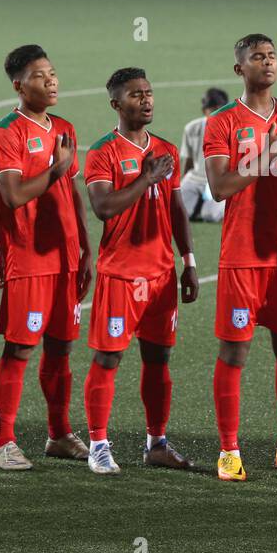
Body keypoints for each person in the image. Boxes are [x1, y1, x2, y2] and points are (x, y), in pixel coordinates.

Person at [203, 34, 277, 481]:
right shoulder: (223, 123)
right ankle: (229, 451)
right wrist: (270, 151)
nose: (268, 62)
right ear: (240, 70)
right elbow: (221, 188)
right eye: (257, 57)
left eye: (272, 56)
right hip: (242, 257)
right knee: (234, 353)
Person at [82, 67, 200, 475]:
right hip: (120, 274)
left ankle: (156, 444)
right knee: (108, 359)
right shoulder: (103, 152)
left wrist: (189, 261)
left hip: (162, 274)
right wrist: (147, 176)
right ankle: (98, 444)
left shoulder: (165, 148)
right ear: (116, 104)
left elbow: (176, 210)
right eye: (136, 95)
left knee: (158, 358)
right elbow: (103, 208)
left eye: (149, 93)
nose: (146, 100)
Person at [0, 44, 93, 471]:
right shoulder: (5, 133)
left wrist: (86, 247)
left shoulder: (64, 127)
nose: (51, 81)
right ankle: (4, 441)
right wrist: (53, 168)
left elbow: (72, 193)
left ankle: (59, 434)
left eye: (52, 73)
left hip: (66, 257)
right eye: (39, 76)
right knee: (19, 350)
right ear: (18, 85)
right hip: (28, 258)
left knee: (62, 349)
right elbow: (12, 196)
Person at [178, 87, 227, 222]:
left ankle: (207, 207)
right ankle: (197, 205)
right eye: (212, 109)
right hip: (194, 179)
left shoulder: (234, 129)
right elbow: (187, 161)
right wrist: (182, 185)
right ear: (205, 110)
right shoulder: (191, 128)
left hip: (218, 182)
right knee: (177, 212)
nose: (217, 112)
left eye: (220, 108)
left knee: (210, 215)